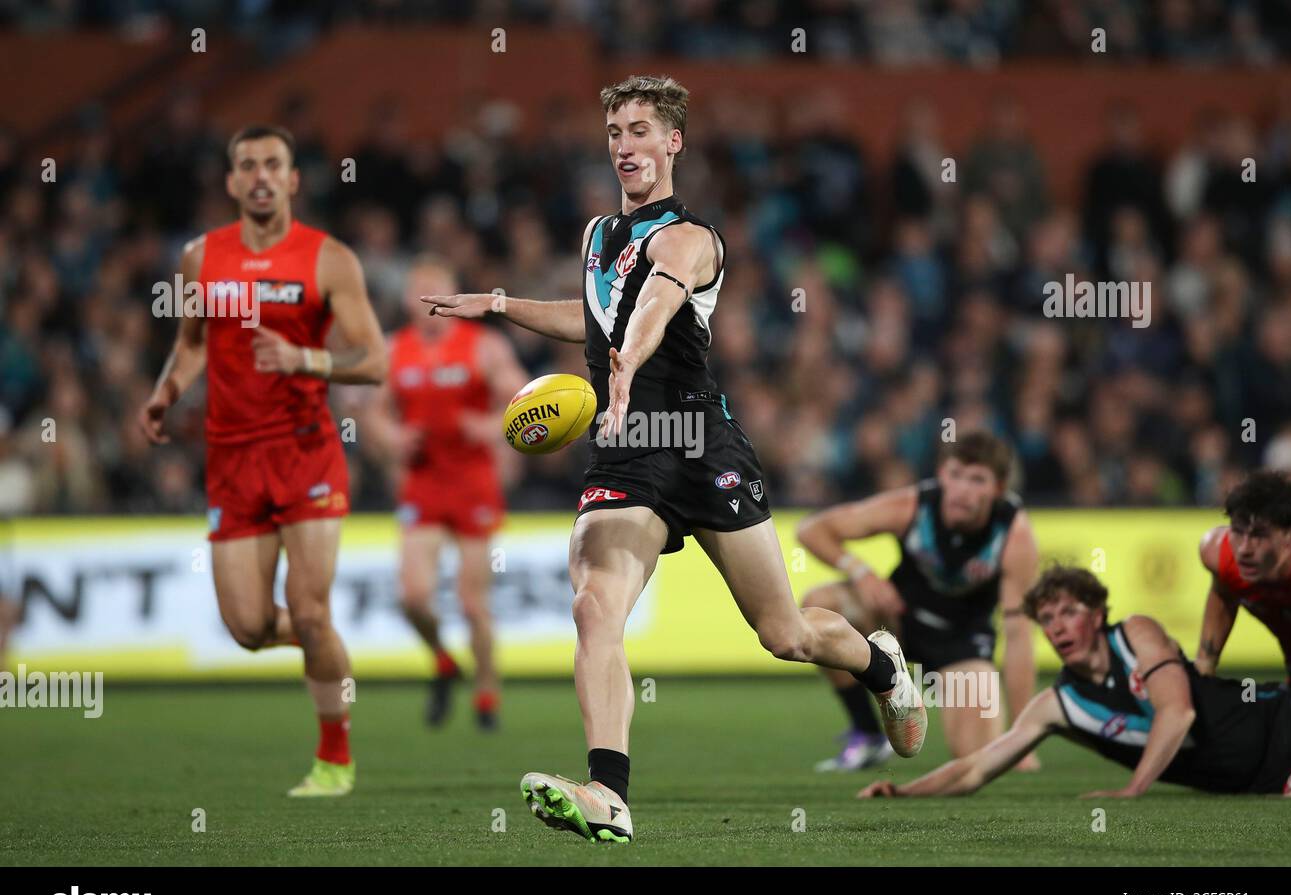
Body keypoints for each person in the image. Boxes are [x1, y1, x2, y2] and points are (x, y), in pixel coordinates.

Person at [422, 75, 927, 844]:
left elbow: (654, 304)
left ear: (673, 142)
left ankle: (880, 666)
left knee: (784, 633)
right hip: (626, 447)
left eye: (640, 131)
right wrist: (499, 305)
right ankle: (608, 794)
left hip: (699, 443)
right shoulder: (598, 235)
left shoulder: (689, 239)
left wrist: (627, 359)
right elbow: (593, 317)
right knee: (594, 605)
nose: (625, 145)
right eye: (616, 131)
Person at [138, 125, 387, 797]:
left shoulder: (328, 259)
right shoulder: (199, 258)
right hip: (231, 459)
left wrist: (307, 358)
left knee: (308, 610)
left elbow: (375, 360)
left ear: (293, 179)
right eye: (246, 165)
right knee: (247, 628)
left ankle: (334, 757)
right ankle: (329, 650)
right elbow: (192, 342)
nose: (259, 176)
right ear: (230, 181)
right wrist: (165, 392)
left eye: (272, 164)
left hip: (305, 452)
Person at [858, 565, 1291, 800]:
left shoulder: (1137, 634)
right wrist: (902, 792)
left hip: (1285, 726)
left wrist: (1132, 790)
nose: (1057, 628)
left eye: (1068, 612)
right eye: (1047, 619)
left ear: (1097, 613)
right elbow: (976, 768)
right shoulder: (1059, 703)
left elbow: (1178, 710)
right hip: (1262, 783)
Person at [796, 431, 1039, 771]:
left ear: (999, 488)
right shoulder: (913, 504)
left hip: (963, 647)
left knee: (979, 759)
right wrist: (862, 572)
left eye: (977, 480)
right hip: (897, 625)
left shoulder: (1014, 534)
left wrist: (1023, 737)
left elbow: (1018, 636)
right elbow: (811, 529)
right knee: (820, 603)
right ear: (941, 474)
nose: (962, 489)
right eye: (955, 475)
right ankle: (867, 733)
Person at [368, 256, 526, 728]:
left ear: (455, 299)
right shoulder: (392, 349)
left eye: (438, 293)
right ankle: (442, 659)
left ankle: (486, 696)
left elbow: (524, 399)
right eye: (421, 294)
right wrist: (391, 438)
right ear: (408, 301)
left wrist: (491, 424)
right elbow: (372, 414)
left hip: (472, 483)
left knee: (471, 602)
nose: (430, 304)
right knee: (413, 597)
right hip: (423, 482)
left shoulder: (485, 347)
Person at [1195, 470, 1291, 687]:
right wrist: (1205, 667)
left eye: (1258, 535)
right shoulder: (1220, 556)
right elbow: (1223, 595)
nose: (1244, 549)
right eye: (1237, 531)